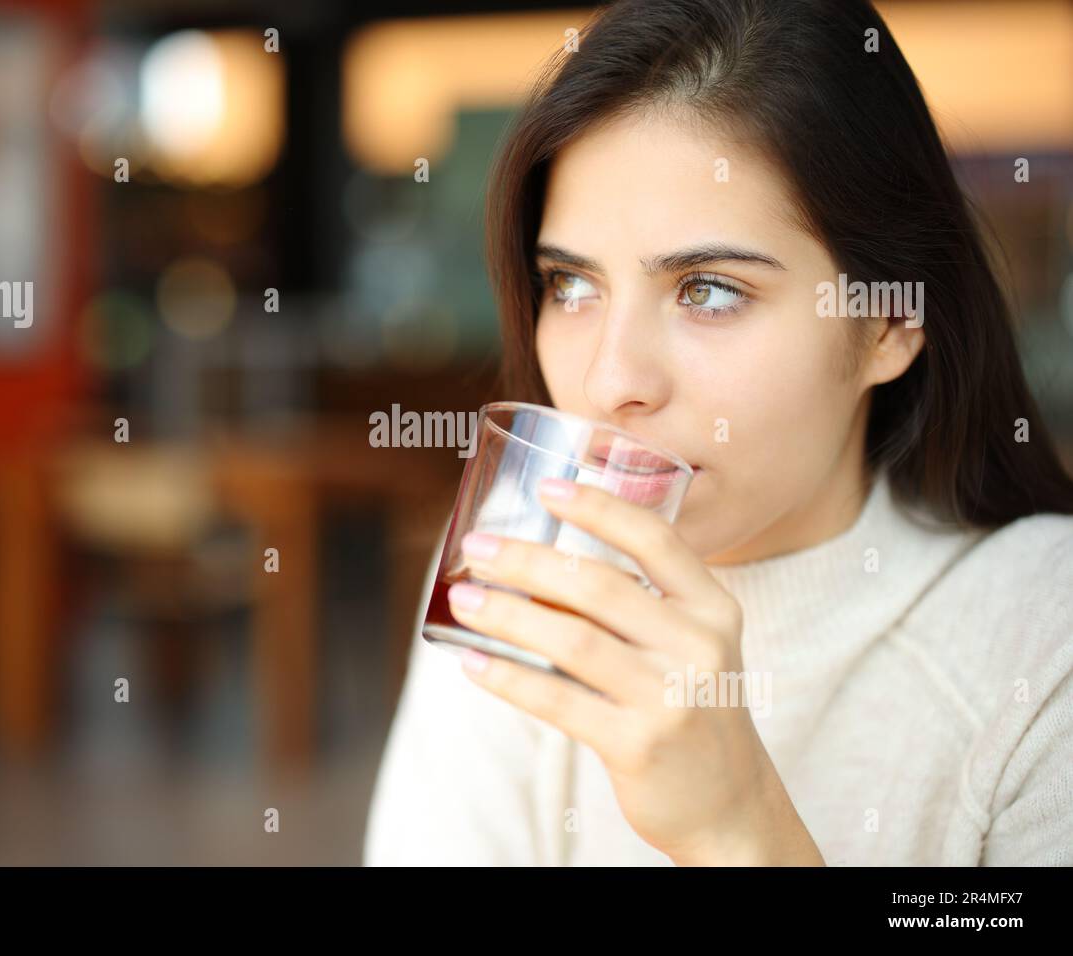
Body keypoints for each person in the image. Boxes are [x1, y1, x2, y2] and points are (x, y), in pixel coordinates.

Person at [364, 0, 1073, 865]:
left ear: (890, 320)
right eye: (571, 286)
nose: (610, 381)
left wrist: (737, 831)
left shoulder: (1043, 641)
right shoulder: (523, 569)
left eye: (708, 290)